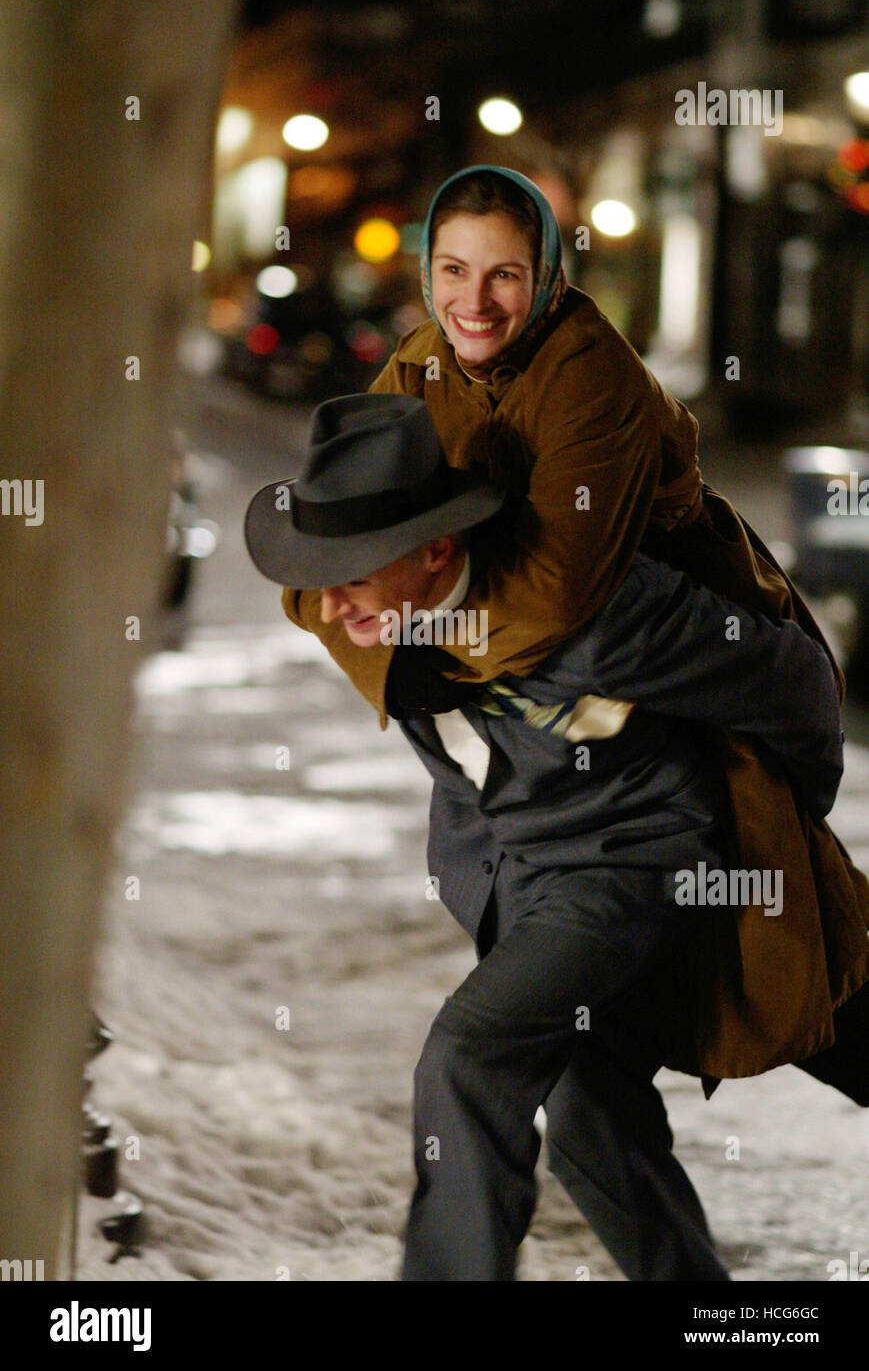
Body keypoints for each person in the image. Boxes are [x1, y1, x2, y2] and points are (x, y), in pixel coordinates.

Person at [279, 166, 869, 1094]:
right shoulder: (420, 364)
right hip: (553, 754)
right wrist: (395, 636)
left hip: (679, 662)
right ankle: (646, 1215)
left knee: (787, 950)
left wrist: (419, 636)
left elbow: (559, 597)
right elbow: (327, 560)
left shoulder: (587, 371)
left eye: (503, 274)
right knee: (596, 1031)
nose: (474, 301)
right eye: (452, 269)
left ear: (547, 274)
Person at [245, 393, 850, 1280]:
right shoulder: (381, 608)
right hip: (515, 879)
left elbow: (795, 681)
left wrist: (790, 817)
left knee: (468, 1059)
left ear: (436, 548)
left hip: (632, 862)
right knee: (589, 1120)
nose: (328, 608)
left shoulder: (598, 614)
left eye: (348, 575)